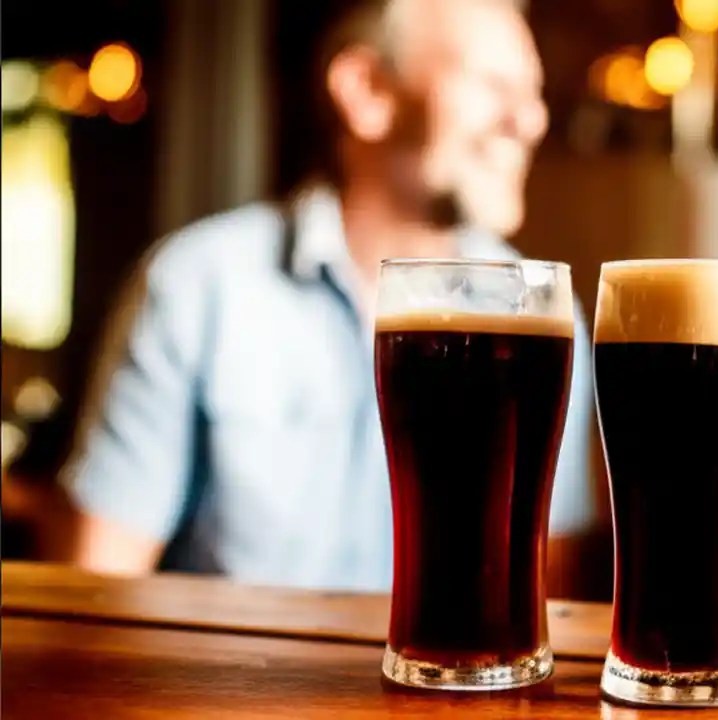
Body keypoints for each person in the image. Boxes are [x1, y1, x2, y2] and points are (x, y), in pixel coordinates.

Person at [54, 0, 597, 590]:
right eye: (492, 84)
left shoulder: (543, 316)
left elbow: (545, 599)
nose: (531, 121)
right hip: (230, 684)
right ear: (366, 91)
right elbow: (96, 589)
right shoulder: (198, 285)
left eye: (533, 93)